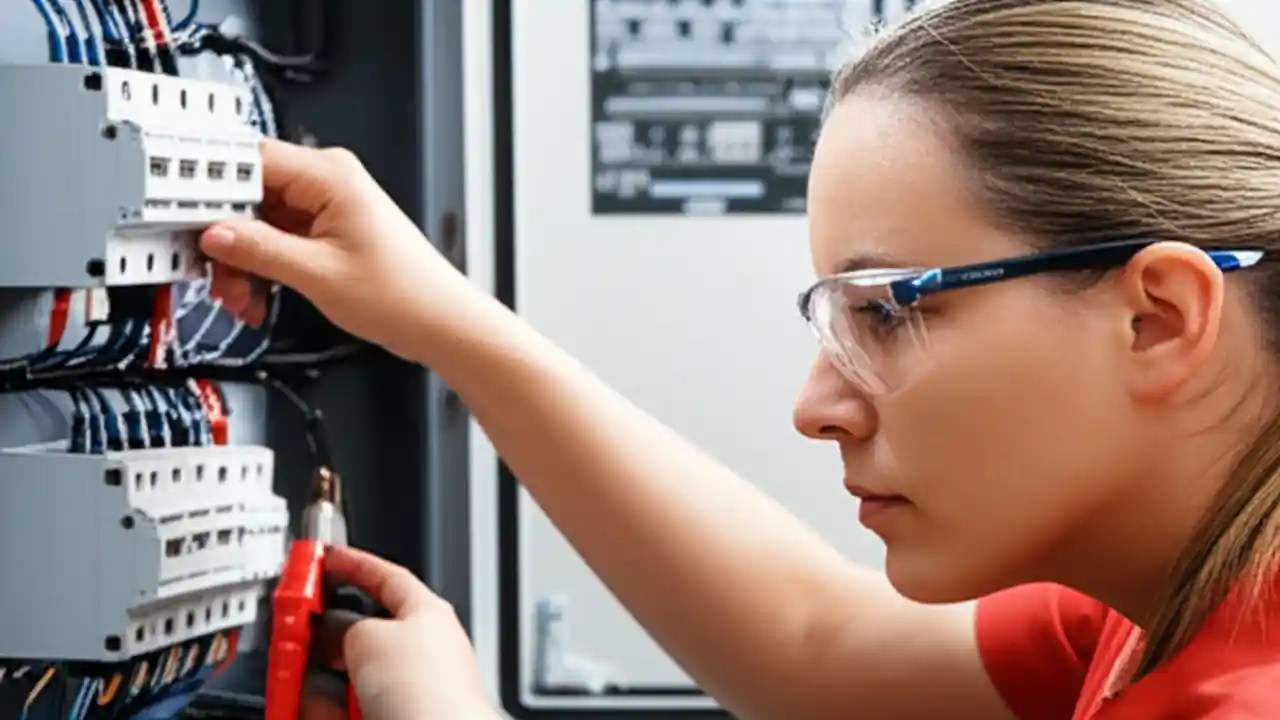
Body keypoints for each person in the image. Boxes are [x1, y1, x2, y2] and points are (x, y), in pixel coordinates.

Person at [201, 0, 1280, 717]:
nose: (815, 408)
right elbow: (810, 650)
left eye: (886, 313)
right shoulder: (1164, 603)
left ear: (1157, 318)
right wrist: (445, 319)